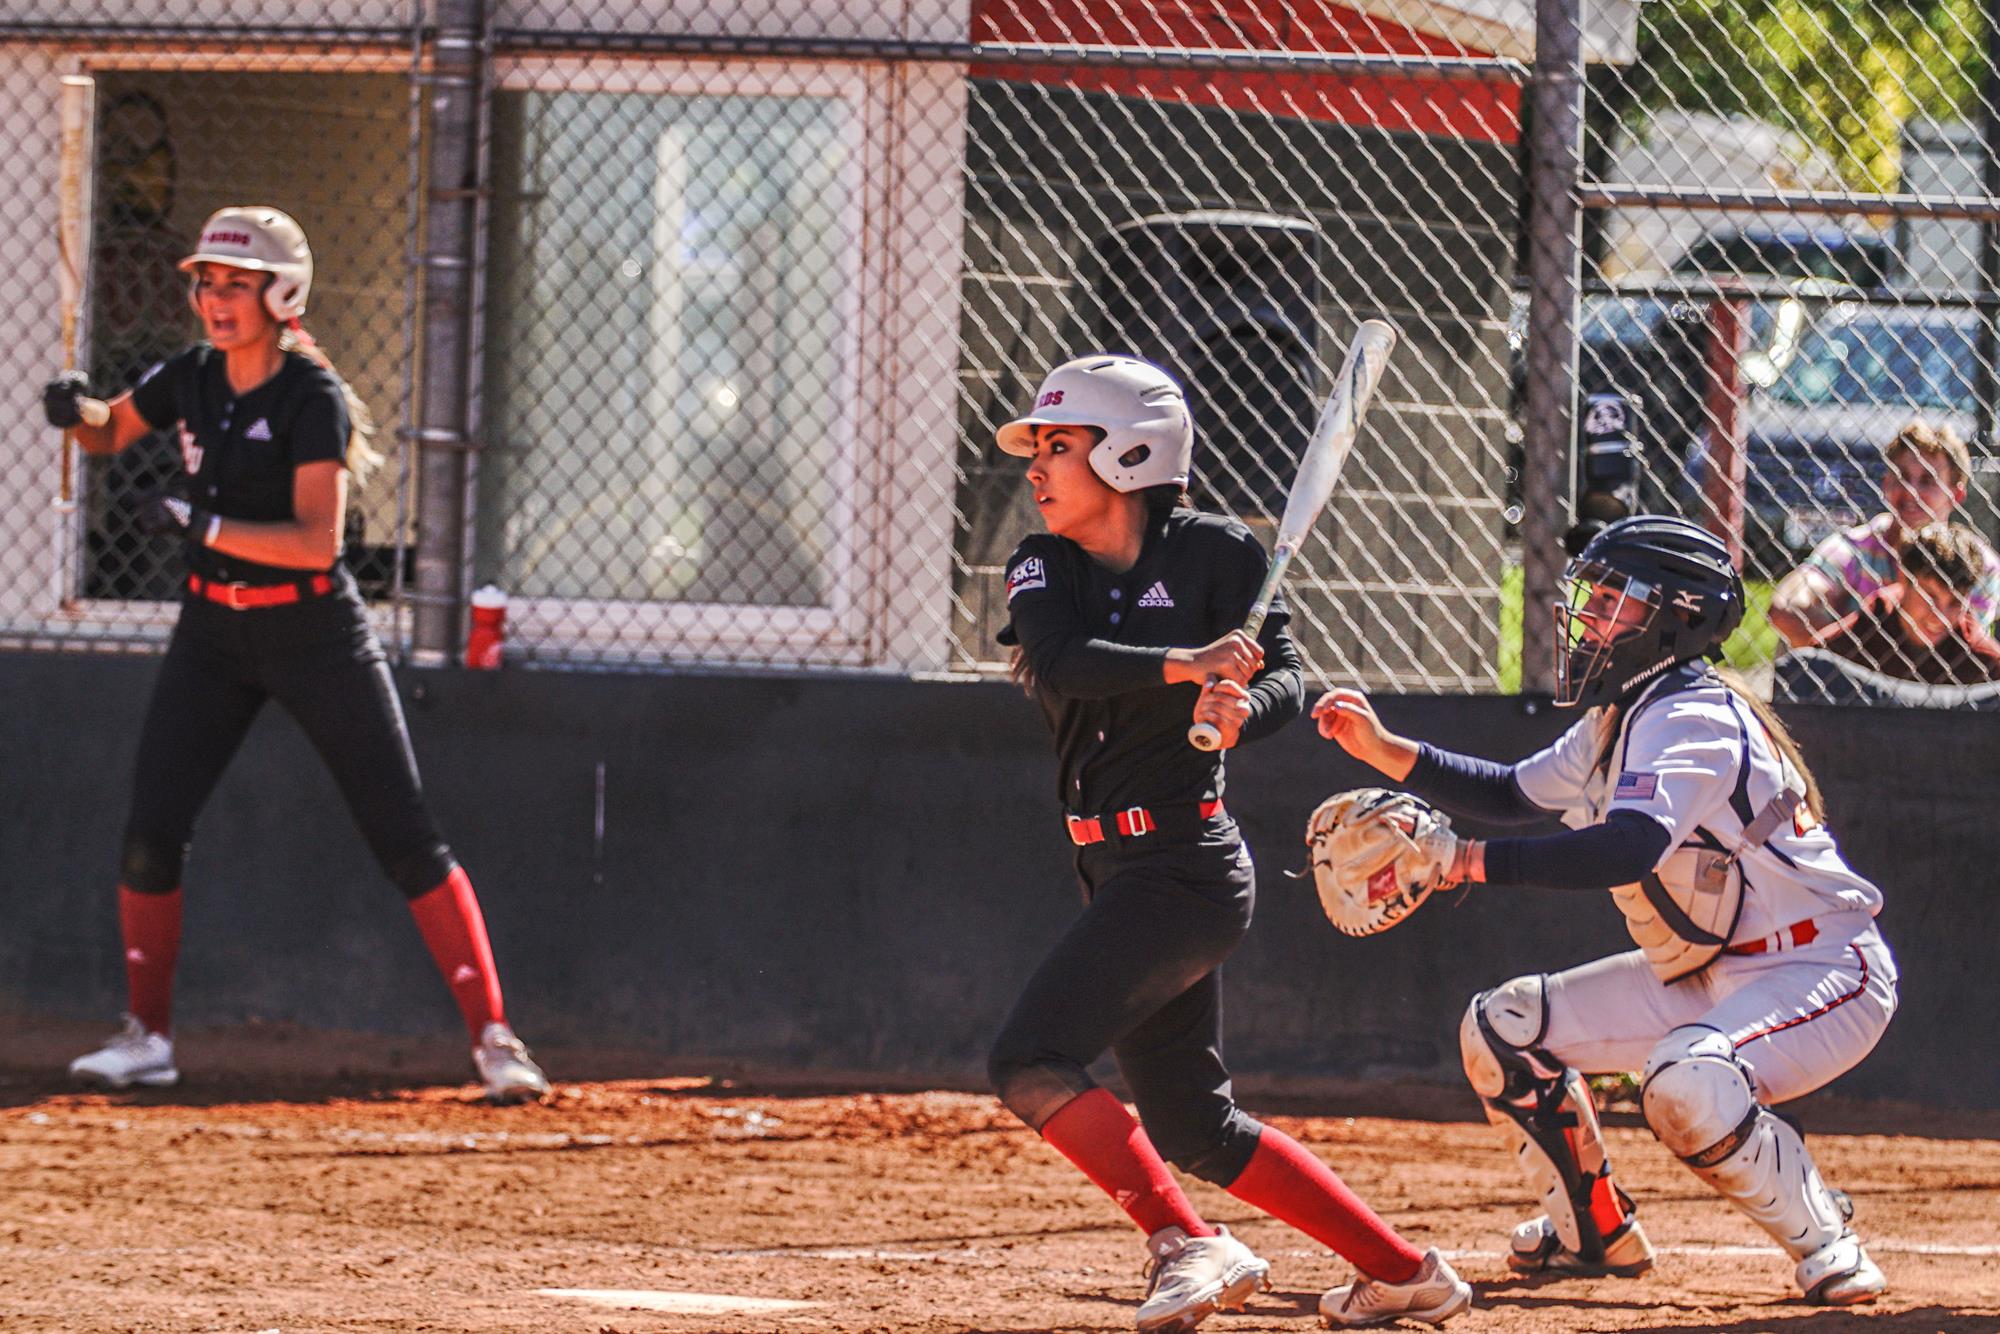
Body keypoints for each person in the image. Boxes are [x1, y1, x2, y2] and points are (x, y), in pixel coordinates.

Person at [989, 355, 1471, 1332]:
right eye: (1034, 447)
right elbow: (1062, 660)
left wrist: (1237, 704)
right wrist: (1184, 664)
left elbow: (1287, 678)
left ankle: (1184, 1242)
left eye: (1057, 444)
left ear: (1128, 452)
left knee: (1030, 1057)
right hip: (1111, 865)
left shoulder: (1221, 558)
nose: (1035, 467)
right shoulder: (1043, 566)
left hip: (1185, 868)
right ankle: (1404, 1270)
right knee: (1191, 1125)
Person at [1314, 515, 1896, 1306]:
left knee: (1688, 1079)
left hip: (1820, 969)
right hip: (1706, 972)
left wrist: (1465, 862)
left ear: (1678, 614)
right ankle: (1595, 1231)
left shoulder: (1691, 713)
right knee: (1502, 1027)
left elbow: (1626, 848)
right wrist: (1386, 749)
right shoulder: (1620, 714)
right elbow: (1511, 793)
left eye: (1614, 598)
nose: (1588, 614)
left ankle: (1828, 1240)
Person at [41, 206, 549, 1104]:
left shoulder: (309, 395)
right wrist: (76, 410)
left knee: (406, 837)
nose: (216, 300)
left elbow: (314, 544)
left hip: (313, 632)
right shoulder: (193, 375)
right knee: (151, 834)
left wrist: (206, 524)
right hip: (213, 632)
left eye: (237, 285)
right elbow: (109, 432)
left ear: (283, 294)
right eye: (206, 283)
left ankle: (495, 1037)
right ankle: (146, 1035)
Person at [1770, 419, 2000, 646]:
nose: (1911, 492)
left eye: (1927, 480)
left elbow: (1961, 650)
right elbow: (1785, 608)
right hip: (1851, 676)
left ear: (1955, 495)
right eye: (1902, 477)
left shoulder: (1980, 566)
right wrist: (1863, 660)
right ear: (1885, 483)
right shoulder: (1854, 547)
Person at [1812, 521, 2000, 686]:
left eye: (1955, 602)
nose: (1940, 616)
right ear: (1904, 579)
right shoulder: (1862, 634)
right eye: (1930, 597)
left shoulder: (1984, 662)